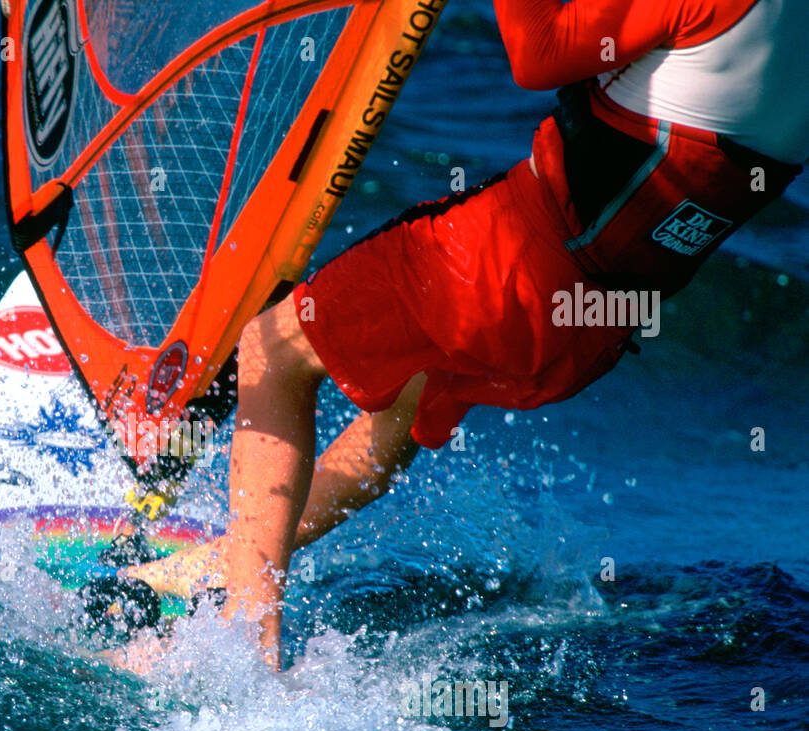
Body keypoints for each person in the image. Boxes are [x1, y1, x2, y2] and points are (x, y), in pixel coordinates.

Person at [122, 0, 809, 669]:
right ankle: (221, 564)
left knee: (273, 350)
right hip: (592, 329)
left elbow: (538, 53)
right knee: (401, 411)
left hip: (511, 262)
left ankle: (247, 642)